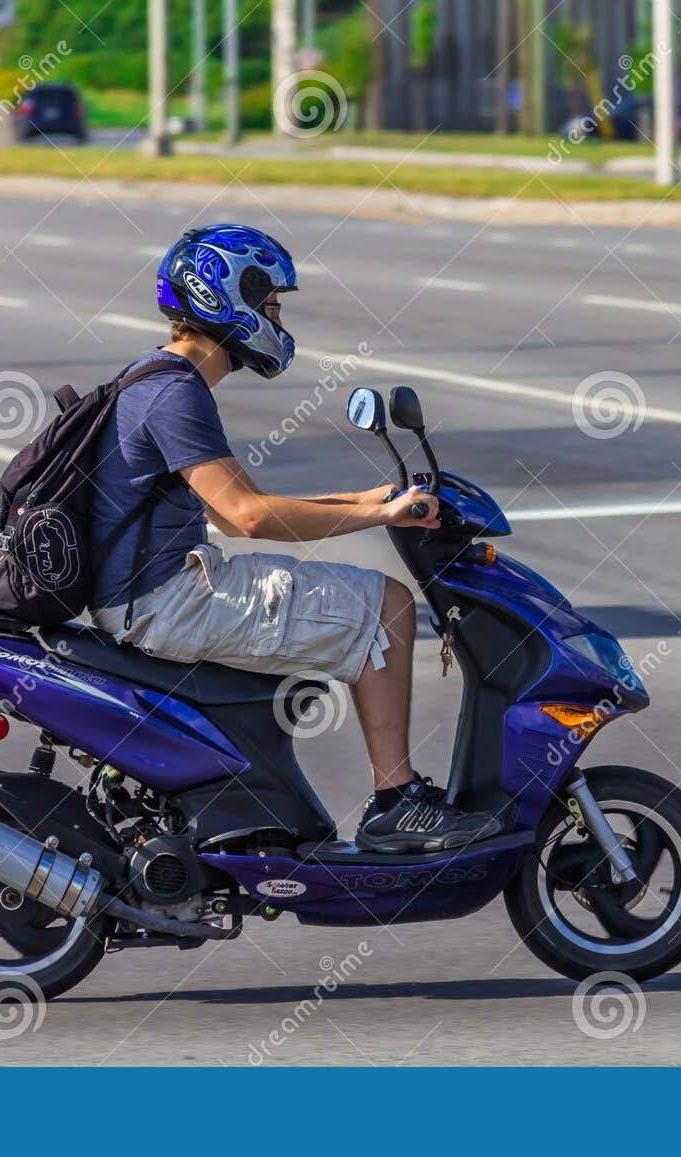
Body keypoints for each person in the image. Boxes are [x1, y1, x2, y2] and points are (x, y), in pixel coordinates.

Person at [86, 223, 502, 854]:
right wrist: (378, 519)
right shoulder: (176, 394)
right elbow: (250, 518)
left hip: (150, 593)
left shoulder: (157, 378)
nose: (277, 319)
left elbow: (231, 515)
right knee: (386, 606)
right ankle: (397, 801)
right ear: (229, 297)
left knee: (351, 598)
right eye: (271, 304)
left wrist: (367, 501)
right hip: (165, 599)